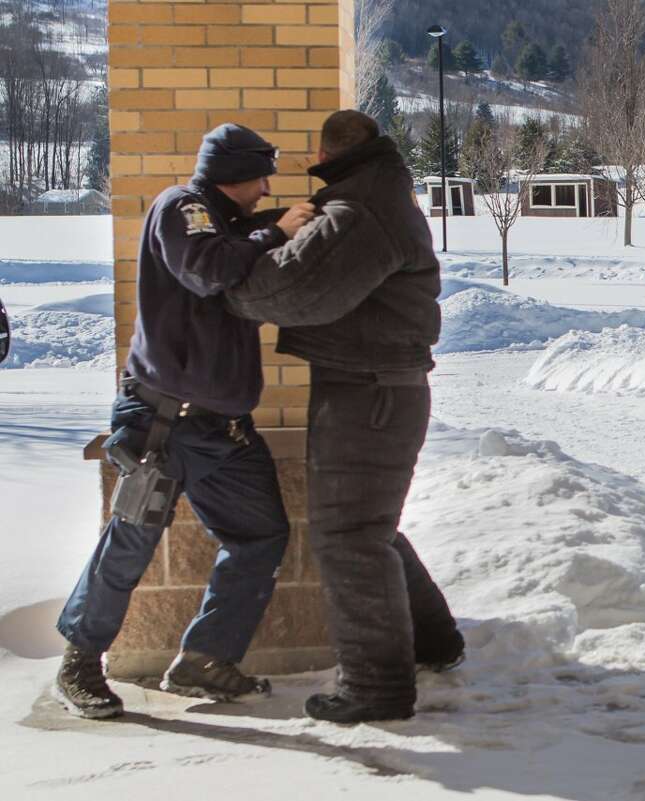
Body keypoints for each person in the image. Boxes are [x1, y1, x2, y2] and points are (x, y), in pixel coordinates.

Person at [54, 124, 316, 719]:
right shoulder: (183, 209)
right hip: (165, 422)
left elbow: (237, 244)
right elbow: (206, 268)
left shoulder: (227, 223)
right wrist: (277, 231)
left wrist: (295, 221)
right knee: (131, 542)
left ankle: (205, 660)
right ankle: (79, 662)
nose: (266, 188)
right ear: (234, 173)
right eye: (260, 176)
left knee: (261, 536)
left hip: (224, 429)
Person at [226, 110, 463, 724]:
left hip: (368, 392)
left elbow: (287, 291)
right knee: (370, 528)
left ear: (326, 155)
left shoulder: (358, 211)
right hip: (376, 388)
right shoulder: (376, 195)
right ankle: (435, 641)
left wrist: (227, 278)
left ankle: (376, 688)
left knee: (350, 537)